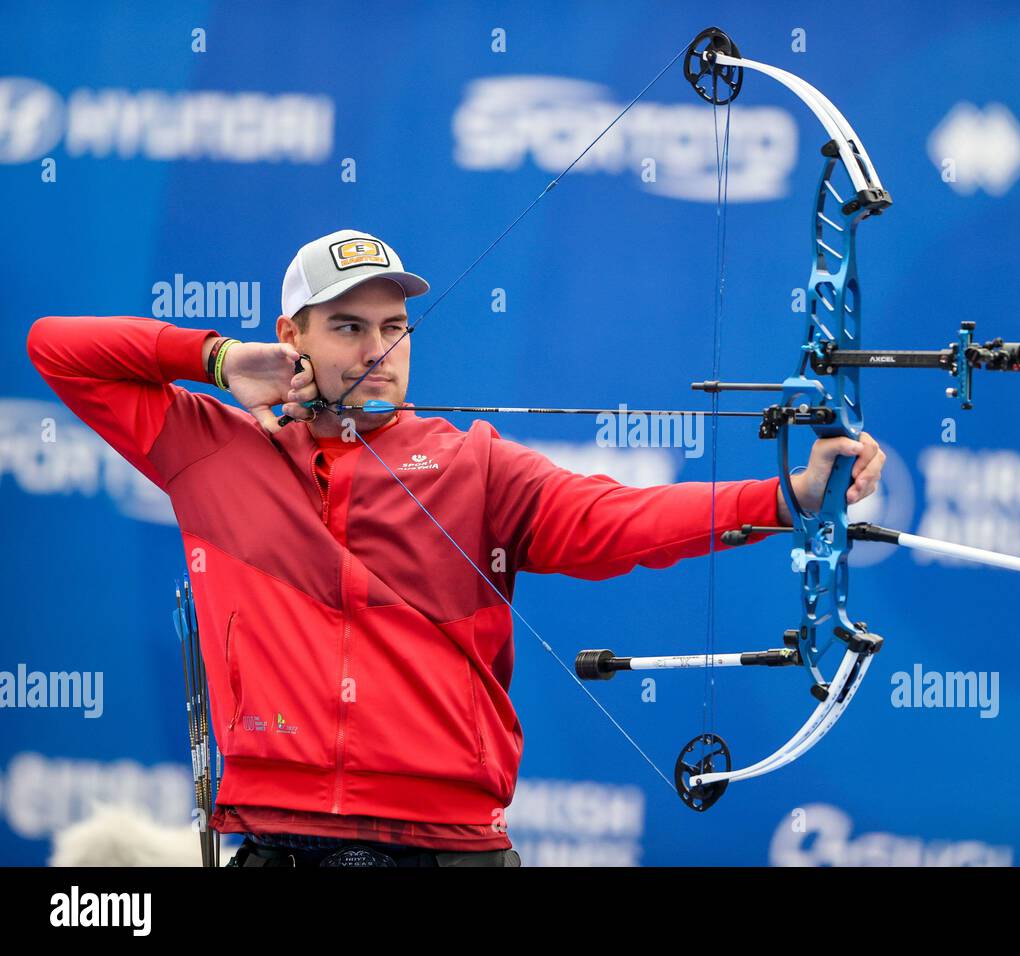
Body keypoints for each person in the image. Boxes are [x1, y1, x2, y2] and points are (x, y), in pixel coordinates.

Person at [27, 229, 885, 867]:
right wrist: (213, 359)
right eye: (348, 329)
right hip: (277, 840)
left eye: (394, 328)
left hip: (446, 850)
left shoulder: (473, 466)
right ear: (292, 337)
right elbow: (55, 350)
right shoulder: (213, 449)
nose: (378, 352)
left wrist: (789, 497)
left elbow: (619, 520)